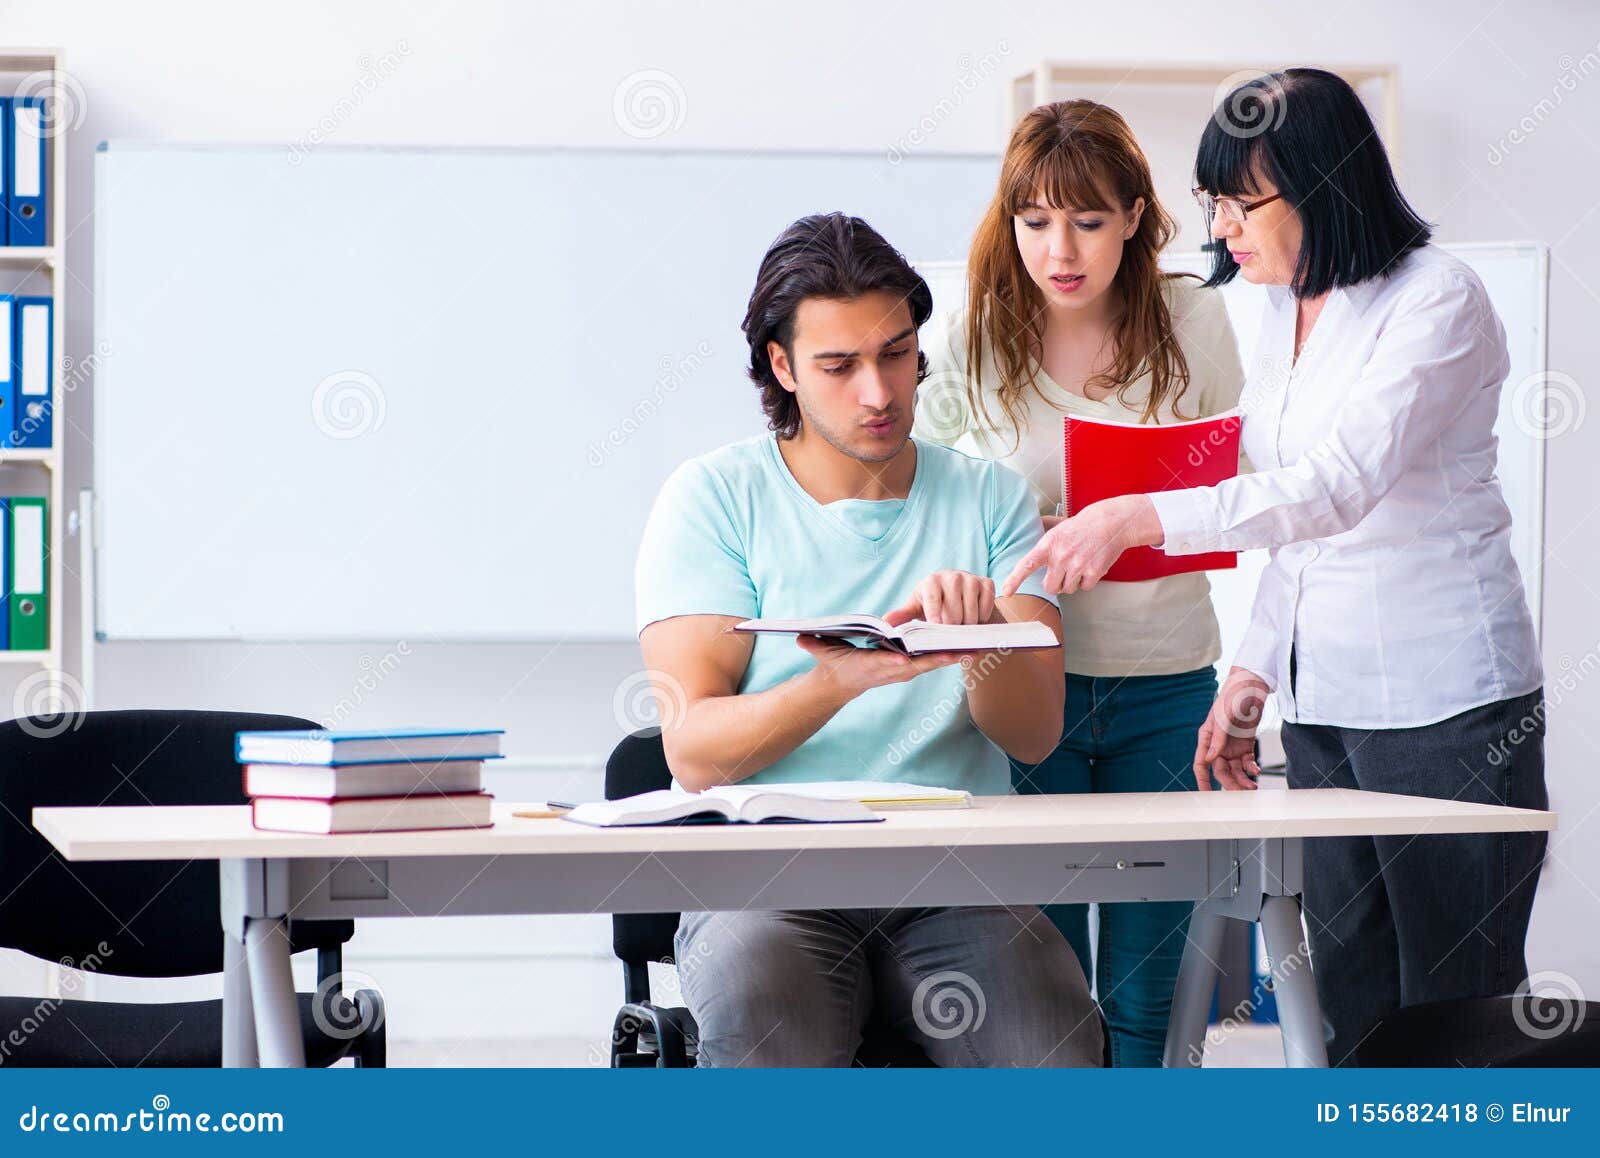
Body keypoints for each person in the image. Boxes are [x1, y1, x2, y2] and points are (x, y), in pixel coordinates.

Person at [1001, 69, 1547, 1065]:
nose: (1219, 227)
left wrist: (1135, 517)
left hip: (1445, 704)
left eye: (1241, 203)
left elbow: (1339, 485)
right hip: (1326, 701)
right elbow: (1299, 516)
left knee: (1457, 1006)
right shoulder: (1283, 307)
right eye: (1212, 201)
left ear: (1323, 185)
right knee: (1348, 998)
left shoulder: (1437, 300)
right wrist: (1253, 671)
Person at [634, 212, 1103, 1067]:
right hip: (766, 883)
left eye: (895, 354)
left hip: (959, 878)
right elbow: (695, 751)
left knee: (1053, 1050)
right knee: (773, 1037)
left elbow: (1034, 734)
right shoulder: (711, 498)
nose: (879, 393)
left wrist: (983, 639)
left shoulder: (992, 500)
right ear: (782, 366)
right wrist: (838, 681)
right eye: (839, 366)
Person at [913, 99, 1244, 1066]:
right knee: (1044, 1003)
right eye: (1036, 222)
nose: (1061, 250)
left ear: (1135, 217)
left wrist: (1130, 519)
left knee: (1152, 1007)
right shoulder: (976, 328)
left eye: (1089, 221)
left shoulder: (1194, 316)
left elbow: (1232, 491)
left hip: (1168, 685)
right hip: (1026, 686)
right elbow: (924, 500)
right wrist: (1020, 536)